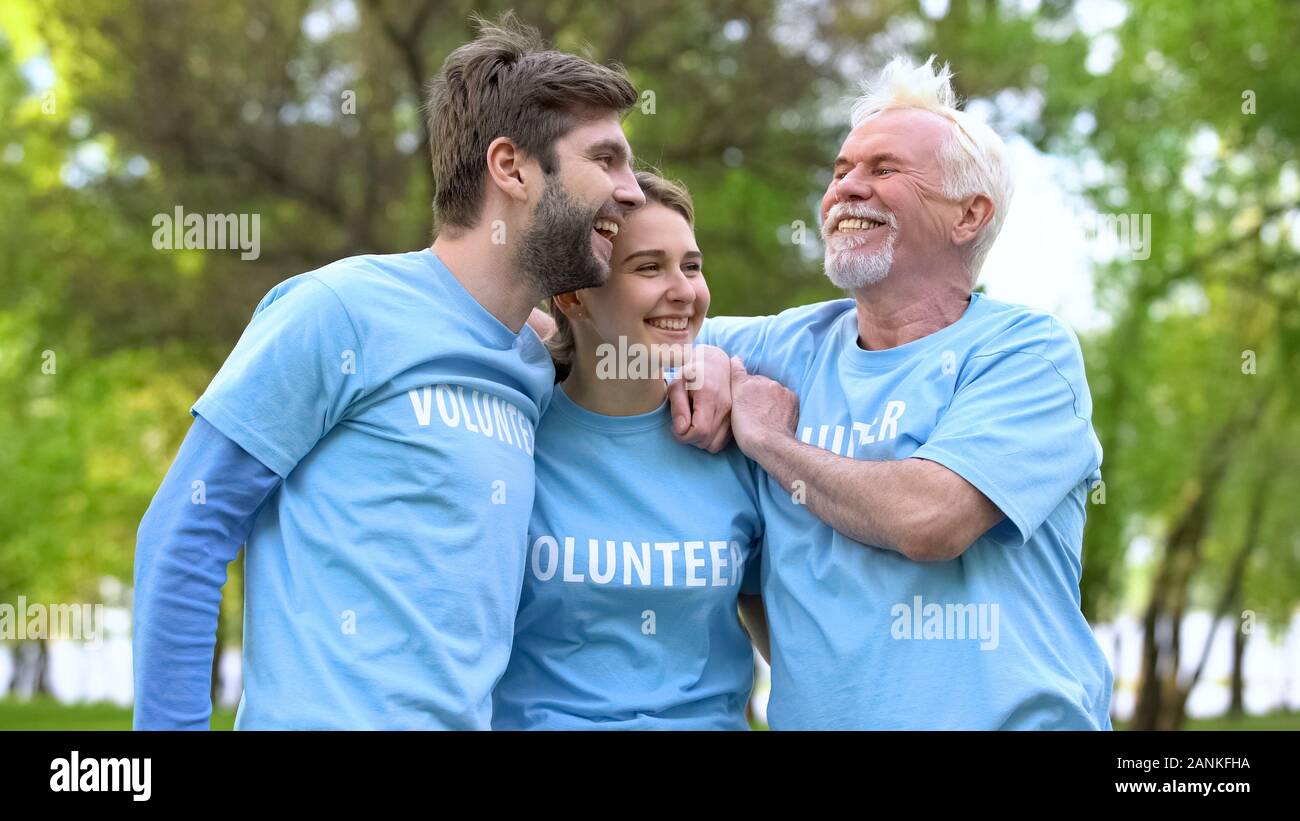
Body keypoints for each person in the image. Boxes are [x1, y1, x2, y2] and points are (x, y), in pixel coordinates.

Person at [131, 14, 652, 729]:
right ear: (512, 167)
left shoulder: (531, 365)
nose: (634, 192)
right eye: (607, 159)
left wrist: (706, 372)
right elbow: (185, 532)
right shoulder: (340, 310)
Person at [701, 55, 1115, 729]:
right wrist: (702, 365)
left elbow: (931, 520)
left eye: (883, 170)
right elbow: (608, 336)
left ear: (968, 215)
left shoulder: (1027, 354)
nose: (846, 190)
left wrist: (770, 440)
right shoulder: (789, 345)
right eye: (840, 171)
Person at [492, 171, 769, 730]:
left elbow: (791, 648)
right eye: (648, 267)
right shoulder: (510, 437)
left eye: (692, 266)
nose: (685, 290)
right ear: (573, 295)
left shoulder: (732, 441)